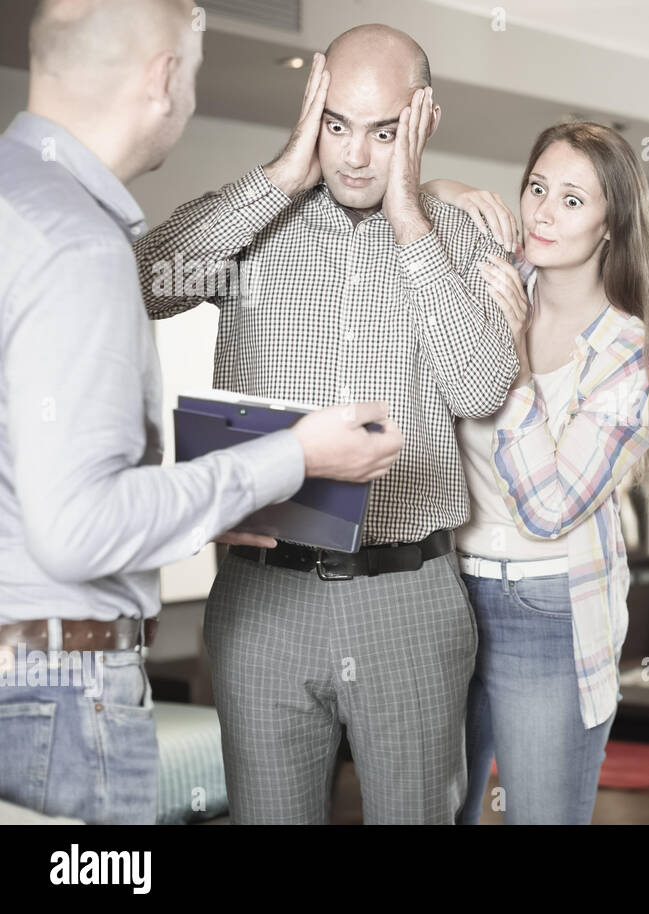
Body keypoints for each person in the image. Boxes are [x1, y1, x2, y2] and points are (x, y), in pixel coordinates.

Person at [0, 0, 402, 825]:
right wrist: (295, 457)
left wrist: (207, 502)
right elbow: (75, 529)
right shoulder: (78, 245)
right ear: (164, 79)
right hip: (57, 695)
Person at [132, 24, 519, 824]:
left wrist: (412, 220)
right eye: (337, 125)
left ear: (424, 120)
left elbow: (480, 388)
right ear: (311, 110)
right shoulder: (251, 223)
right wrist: (281, 174)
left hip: (408, 602)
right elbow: (141, 284)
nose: (355, 157)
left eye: (384, 133)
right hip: (262, 602)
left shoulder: (460, 237)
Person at [423, 121, 649, 824]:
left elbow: (547, 508)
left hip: (548, 608)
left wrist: (516, 359)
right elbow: (411, 216)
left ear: (611, 225)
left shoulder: (629, 354)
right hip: (446, 588)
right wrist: (456, 191)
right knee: (434, 813)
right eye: (536, 188)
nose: (543, 213)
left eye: (573, 200)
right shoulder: (496, 276)